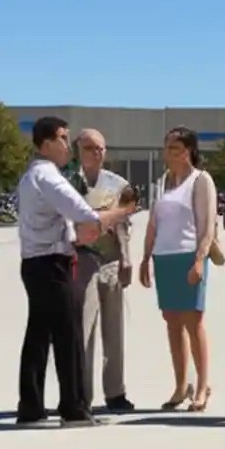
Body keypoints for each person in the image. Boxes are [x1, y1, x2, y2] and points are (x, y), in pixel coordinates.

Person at [16, 116, 136, 427]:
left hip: (35, 262)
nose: (66, 146)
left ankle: (31, 408)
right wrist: (122, 211)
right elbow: (86, 216)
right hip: (52, 264)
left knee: (38, 337)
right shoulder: (51, 178)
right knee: (68, 336)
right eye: (63, 139)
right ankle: (73, 408)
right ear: (46, 143)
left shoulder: (32, 175)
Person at [138, 126, 217, 412]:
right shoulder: (162, 183)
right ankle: (181, 385)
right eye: (166, 147)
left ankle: (203, 386)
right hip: (164, 257)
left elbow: (207, 225)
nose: (167, 154)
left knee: (193, 323)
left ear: (187, 152)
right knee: (172, 323)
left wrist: (199, 259)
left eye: (173, 148)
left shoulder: (201, 180)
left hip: (189, 256)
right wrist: (146, 258)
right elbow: (152, 223)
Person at [70, 128, 136, 413]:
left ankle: (116, 392)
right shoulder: (67, 183)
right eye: (89, 148)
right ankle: (81, 395)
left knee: (114, 329)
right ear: (78, 151)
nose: (96, 153)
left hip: (110, 259)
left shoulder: (119, 184)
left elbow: (123, 223)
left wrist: (126, 257)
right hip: (80, 261)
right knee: (84, 329)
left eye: (100, 148)